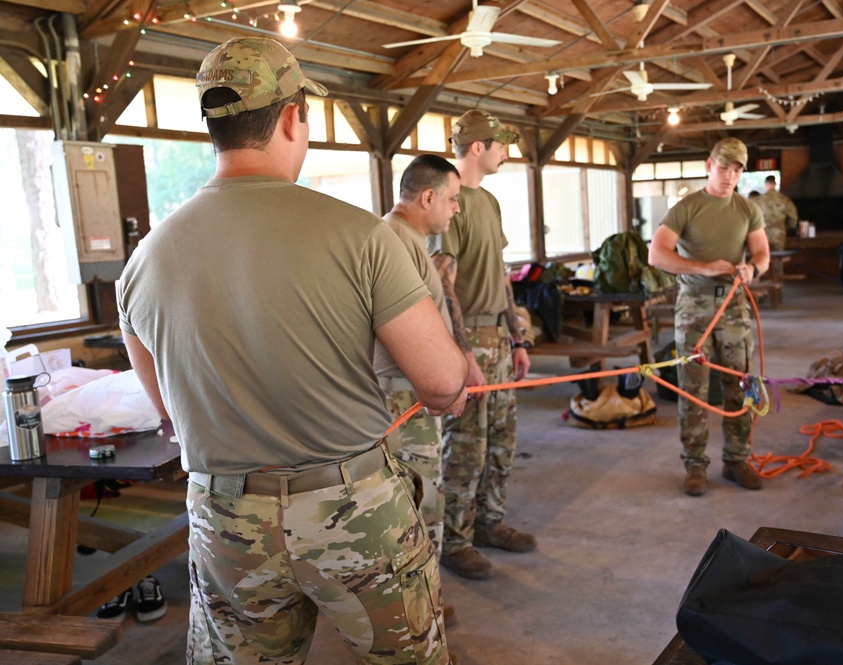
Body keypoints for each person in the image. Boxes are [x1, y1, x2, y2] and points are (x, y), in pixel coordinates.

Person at [116, 37, 467, 664]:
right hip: (354, 509)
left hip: (225, 517)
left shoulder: (145, 261)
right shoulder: (361, 235)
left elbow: (167, 409)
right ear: (291, 116)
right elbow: (440, 383)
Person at [429, 109, 534, 581]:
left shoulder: (488, 202)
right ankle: (456, 540)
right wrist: (463, 351)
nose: (506, 152)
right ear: (477, 147)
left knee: (500, 442)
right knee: (466, 447)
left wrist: (518, 335)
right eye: (501, 143)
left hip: (499, 338)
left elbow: (502, 274)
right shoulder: (453, 204)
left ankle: (490, 522)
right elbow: (443, 283)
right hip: (470, 340)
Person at [648, 137, 770, 497]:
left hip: (734, 307)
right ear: (708, 165)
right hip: (695, 306)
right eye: (724, 166)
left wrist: (754, 269)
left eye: (737, 169)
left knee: (741, 385)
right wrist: (702, 268)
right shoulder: (687, 208)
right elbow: (657, 255)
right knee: (694, 388)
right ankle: (695, 465)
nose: (730, 175)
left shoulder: (748, 210)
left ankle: (736, 460)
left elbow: (762, 252)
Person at [373, 154, 462, 619]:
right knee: (419, 500)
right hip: (402, 394)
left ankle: (421, 597)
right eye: (452, 199)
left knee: (420, 496)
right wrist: (443, 384)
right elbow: (403, 336)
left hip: (410, 391)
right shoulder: (393, 241)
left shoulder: (405, 240)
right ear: (427, 197)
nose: (456, 210)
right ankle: (417, 606)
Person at [755, 174, 798, 252]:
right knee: (778, 259)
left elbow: (751, 218)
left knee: (763, 259)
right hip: (779, 235)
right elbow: (793, 219)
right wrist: (786, 228)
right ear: (775, 184)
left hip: (762, 235)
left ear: (766, 185)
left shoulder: (758, 200)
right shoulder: (784, 199)